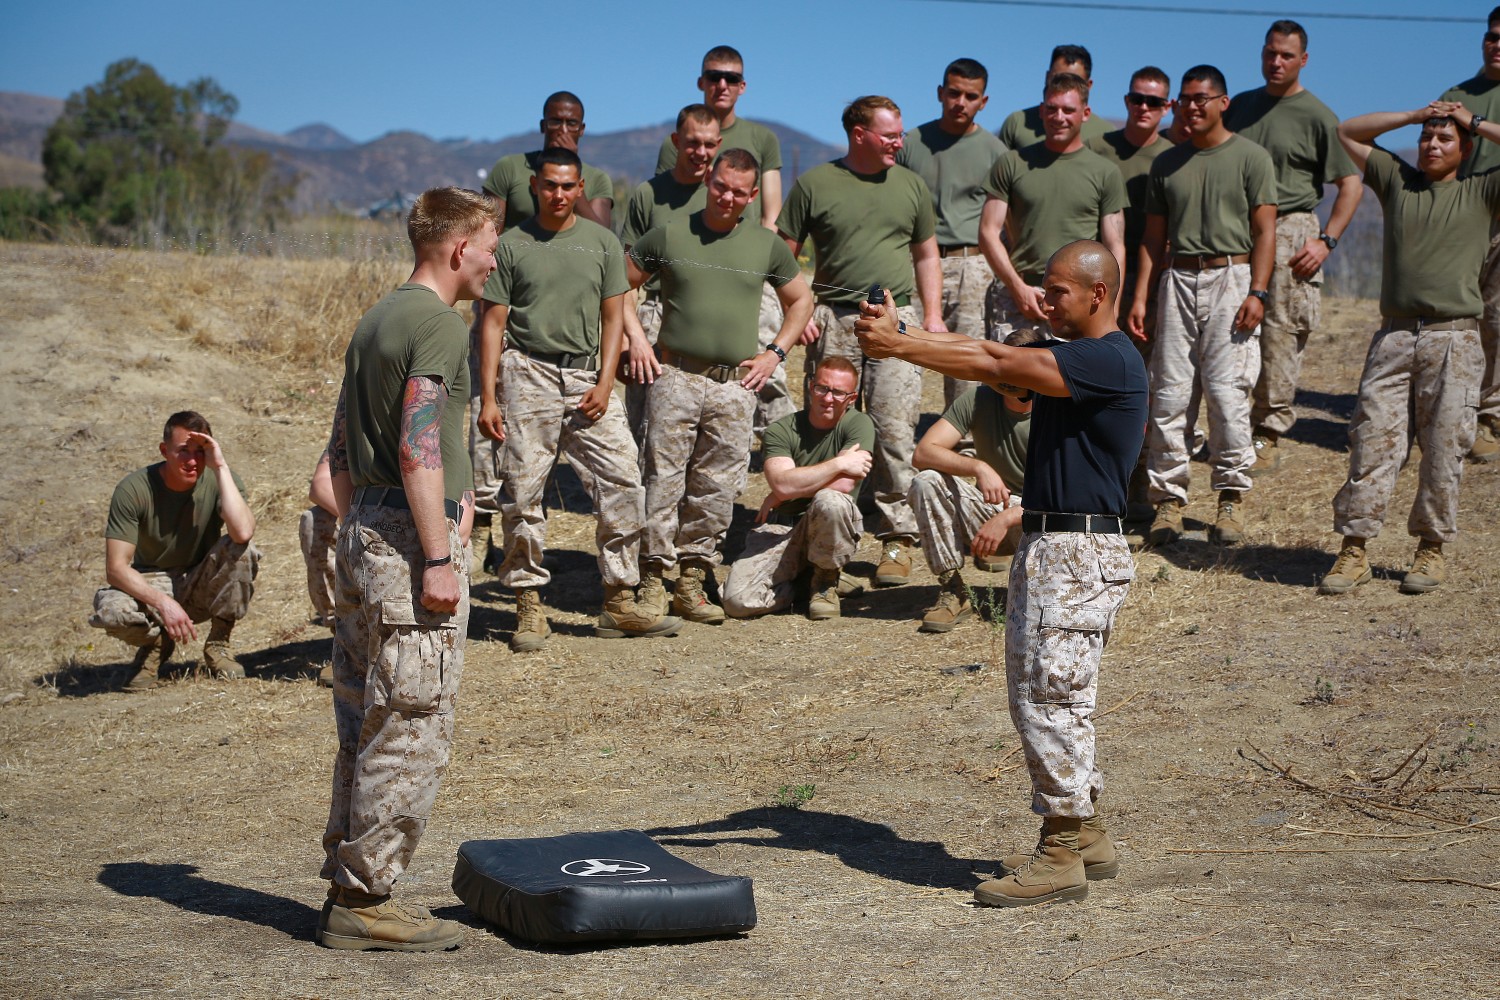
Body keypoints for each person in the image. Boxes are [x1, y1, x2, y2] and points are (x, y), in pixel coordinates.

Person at [855, 239, 1147, 908]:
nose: (1045, 299)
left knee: (1053, 700)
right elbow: (988, 358)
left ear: (1099, 294)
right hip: (1053, 546)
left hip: (1075, 553)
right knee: (1036, 695)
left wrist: (900, 345)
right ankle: (1086, 834)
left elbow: (992, 360)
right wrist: (906, 333)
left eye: (1059, 290)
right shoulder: (1074, 357)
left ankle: (1061, 853)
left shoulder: (1106, 358)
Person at [317, 187, 492, 952]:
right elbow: (419, 447)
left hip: (364, 530)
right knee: (409, 727)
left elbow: (338, 449)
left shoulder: (377, 318)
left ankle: (348, 883)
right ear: (458, 248)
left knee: (363, 722)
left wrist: (359, 528)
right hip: (407, 545)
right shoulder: (439, 324)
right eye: (490, 248)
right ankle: (366, 899)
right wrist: (437, 557)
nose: (493, 263)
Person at [478, 148, 681, 652]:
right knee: (523, 490)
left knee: (623, 481)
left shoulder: (602, 242)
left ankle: (619, 598)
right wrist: (488, 397)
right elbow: (492, 323)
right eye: (549, 185)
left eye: (568, 186)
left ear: (581, 187)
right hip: (527, 372)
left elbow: (614, 317)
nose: (558, 194)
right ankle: (528, 604)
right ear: (534, 185)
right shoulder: (511, 244)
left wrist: (606, 382)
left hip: (587, 376)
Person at [1318, 104, 1500, 596]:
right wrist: (1415, 114)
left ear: (1466, 149)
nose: (1432, 145)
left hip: (1455, 339)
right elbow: (1348, 131)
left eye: (1445, 139)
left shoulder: (1482, 191)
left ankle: (1430, 548)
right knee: (1372, 442)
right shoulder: (1398, 181)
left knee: (1444, 449)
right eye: (1426, 138)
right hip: (1394, 338)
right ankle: (1354, 550)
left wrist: (1473, 121)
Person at [628, 150, 814, 624]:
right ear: (709, 181)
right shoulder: (670, 233)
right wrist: (637, 340)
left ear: (752, 197)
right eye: (721, 186)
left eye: (738, 192)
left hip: (734, 387)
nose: (727, 197)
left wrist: (774, 354)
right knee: (662, 482)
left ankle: (692, 580)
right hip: (675, 378)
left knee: (715, 488)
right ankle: (652, 579)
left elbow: (801, 301)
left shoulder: (765, 245)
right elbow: (620, 285)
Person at [777, 95, 944, 587]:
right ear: (859, 134)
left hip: (894, 320)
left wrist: (932, 316)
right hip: (833, 320)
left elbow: (927, 255)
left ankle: (898, 539)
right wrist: (797, 311)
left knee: (894, 429)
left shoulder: (911, 185)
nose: (899, 142)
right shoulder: (815, 184)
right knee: (830, 427)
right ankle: (824, 541)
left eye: (900, 133)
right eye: (890, 135)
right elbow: (782, 255)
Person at [1132, 65, 1276, 548]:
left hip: (1232, 276)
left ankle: (1230, 496)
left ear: (1222, 102)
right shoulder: (1166, 164)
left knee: (1227, 392)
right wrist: (1143, 296)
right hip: (1177, 277)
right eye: (1185, 99)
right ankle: (1168, 500)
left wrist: (1258, 291)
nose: (1192, 107)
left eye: (1201, 98)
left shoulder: (1251, 157)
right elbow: (1153, 238)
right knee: (1169, 392)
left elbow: (1265, 231)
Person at [472, 91, 615, 569]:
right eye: (556, 121)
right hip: (513, 322)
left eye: (572, 123)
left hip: (573, 342)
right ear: (542, 124)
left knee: (601, 471)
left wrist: (573, 185)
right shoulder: (509, 170)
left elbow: (602, 235)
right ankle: (481, 526)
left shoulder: (594, 181)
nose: (563, 129)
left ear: (582, 129)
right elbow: (488, 231)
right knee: (496, 441)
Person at [1226, 20, 1363, 475]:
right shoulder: (1240, 107)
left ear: (1303, 60)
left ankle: (1269, 428)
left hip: (1291, 228)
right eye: (1270, 53)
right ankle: (1233, 424)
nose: (1276, 62)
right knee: (1233, 323)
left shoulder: (1318, 116)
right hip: (1239, 226)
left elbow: (1350, 184)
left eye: (1286, 55)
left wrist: (1326, 241)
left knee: (1281, 332)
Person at [655, 45, 793, 436]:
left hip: (748, 269)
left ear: (742, 86)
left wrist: (763, 275)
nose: (722, 84)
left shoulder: (762, 139)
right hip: (691, 266)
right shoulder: (683, 137)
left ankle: (777, 454)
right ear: (701, 81)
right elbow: (672, 199)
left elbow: (771, 215)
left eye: (731, 78)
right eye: (714, 76)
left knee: (766, 376)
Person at [90, 410, 259, 692]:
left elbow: (242, 533)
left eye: (200, 451)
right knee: (111, 612)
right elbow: (116, 569)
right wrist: (163, 604)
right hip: (152, 582)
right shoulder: (133, 489)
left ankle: (218, 643)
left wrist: (220, 466)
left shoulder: (221, 480)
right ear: (164, 450)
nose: (192, 461)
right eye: (183, 451)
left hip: (199, 580)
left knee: (243, 549)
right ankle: (157, 645)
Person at [979, 73, 1127, 350]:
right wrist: (1017, 288)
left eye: (1068, 110)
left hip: (1079, 301)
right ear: (1041, 110)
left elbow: (1115, 244)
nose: (1059, 117)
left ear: (1085, 113)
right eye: (1052, 109)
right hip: (1020, 297)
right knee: (1008, 376)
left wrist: (1111, 307)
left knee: (1072, 377)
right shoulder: (1012, 163)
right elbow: (988, 231)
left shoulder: (1105, 173)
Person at [908, 328, 1042, 633]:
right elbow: (924, 452)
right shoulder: (980, 398)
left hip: (1039, 515)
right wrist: (978, 467)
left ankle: (1040, 594)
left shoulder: (1056, 408)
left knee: (1034, 611)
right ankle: (952, 590)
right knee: (926, 481)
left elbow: (1065, 497)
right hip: (991, 506)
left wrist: (1009, 516)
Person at [1088, 66, 1177, 522]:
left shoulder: (1174, 156)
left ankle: (1140, 482)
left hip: (1156, 286)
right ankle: (1097, 482)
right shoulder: (1097, 149)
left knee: (1145, 388)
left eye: (1154, 102)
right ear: (1126, 100)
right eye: (1137, 99)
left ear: (1167, 107)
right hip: (1099, 287)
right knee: (1096, 384)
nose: (1144, 107)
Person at [722, 357, 875, 620]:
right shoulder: (781, 429)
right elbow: (782, 483)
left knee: (832, 501)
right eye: (822, 388)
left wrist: (788, 491)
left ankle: (825, 581)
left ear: (851, 398)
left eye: (838, 393)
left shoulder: (858, 424)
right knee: (737, 603)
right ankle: (804, 584)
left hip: (827, 528)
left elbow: (844, 484)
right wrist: (839, 463)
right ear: (811, 387)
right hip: (782, 528)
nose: (828, 398)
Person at [897, 57, 1009, 411]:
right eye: (954, 93)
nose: (961, 102)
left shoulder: (996, 153)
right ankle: (904, 434)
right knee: (903, 356)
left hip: (971, 267)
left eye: (971, 96)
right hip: (914, 263)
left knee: (966, 363)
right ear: (940, 93)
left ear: (983, 101)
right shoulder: (911, 144)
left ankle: (963, 436)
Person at [619, 104, 722, 442]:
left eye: (709, 144)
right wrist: (631, 338)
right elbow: (624, 279)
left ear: (719, 144)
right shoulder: (648, 195)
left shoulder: (726, 197)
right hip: (656, 317)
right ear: (677, 141)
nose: (701, 152)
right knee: (647, 424)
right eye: (693, 143)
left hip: (712, 320)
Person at [1440, 6, 1500, 463]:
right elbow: (1436, 150)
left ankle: (1489, 416)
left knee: (1496, 319)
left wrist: (1474, 122)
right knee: (1457, 316)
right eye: (1492, 36)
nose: (1497, 44)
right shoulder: (1456, 95)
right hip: (1463, 219)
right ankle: (1450, 407)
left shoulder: (1467, 109)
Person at [997, 45, 1112, 151]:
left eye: (1073, 81)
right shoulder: (1016, 124)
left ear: (1088, 85)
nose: (1063, 86)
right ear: (1047, 77)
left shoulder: (1105, 134)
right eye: (1057, 79)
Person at [301, 450, 338, 631]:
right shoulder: (350, 433)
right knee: (315, 520)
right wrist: (358, 522)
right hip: (367, 518)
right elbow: (319, 487)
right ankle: (341, 623)